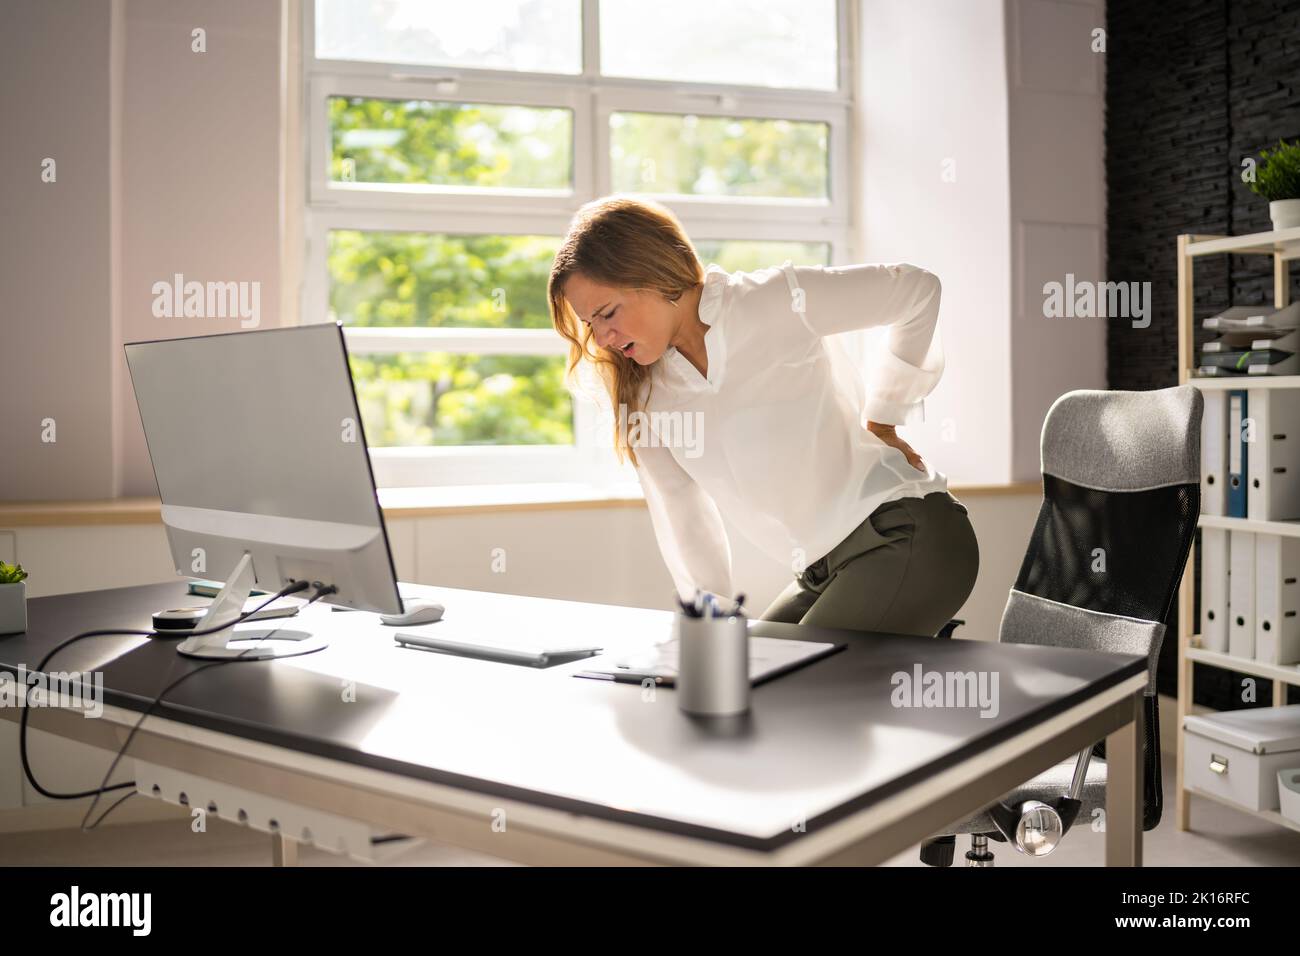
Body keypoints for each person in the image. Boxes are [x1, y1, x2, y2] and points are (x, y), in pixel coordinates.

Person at [548, 196, 978, 638]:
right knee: (735, 677)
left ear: (653, 273)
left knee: (793, 691)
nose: (601, 337)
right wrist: (707, 627)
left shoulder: (771, 300)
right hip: (821, 570)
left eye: (608, 314)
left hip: (905, 531)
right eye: (589, 325)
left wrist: (885, 416)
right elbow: (683, 513)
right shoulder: (644, 392)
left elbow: (916, 290)